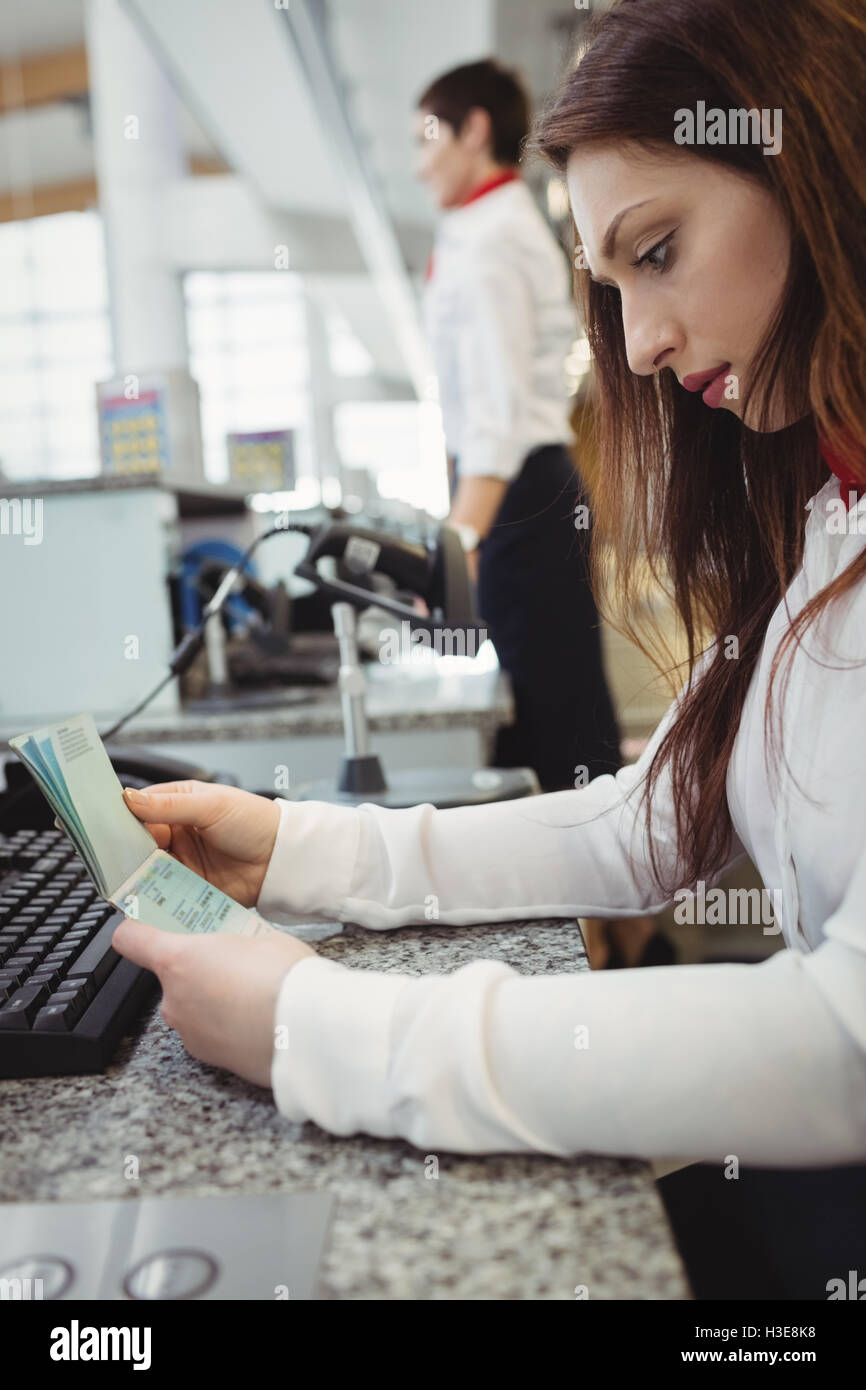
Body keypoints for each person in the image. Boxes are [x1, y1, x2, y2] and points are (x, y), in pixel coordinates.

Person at [114, 0, 866, 1299]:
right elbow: (649, 820)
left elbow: (840, 1045)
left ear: (816, 162)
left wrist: (326, 1027)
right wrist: (295, 843)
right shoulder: (821, 512)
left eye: (660, 249)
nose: (636, 346)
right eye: (610, 285)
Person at [413, 56, 664, 968]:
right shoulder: (485, 227)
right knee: (566, 722)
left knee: (560, 731)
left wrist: (457, 546)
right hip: (524, 489)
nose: (417, 159)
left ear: (473, 127)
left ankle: (617, 954)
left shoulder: (487, 237)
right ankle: (627, 942)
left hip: (516, 493)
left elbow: (493, 419)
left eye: (425, 135)